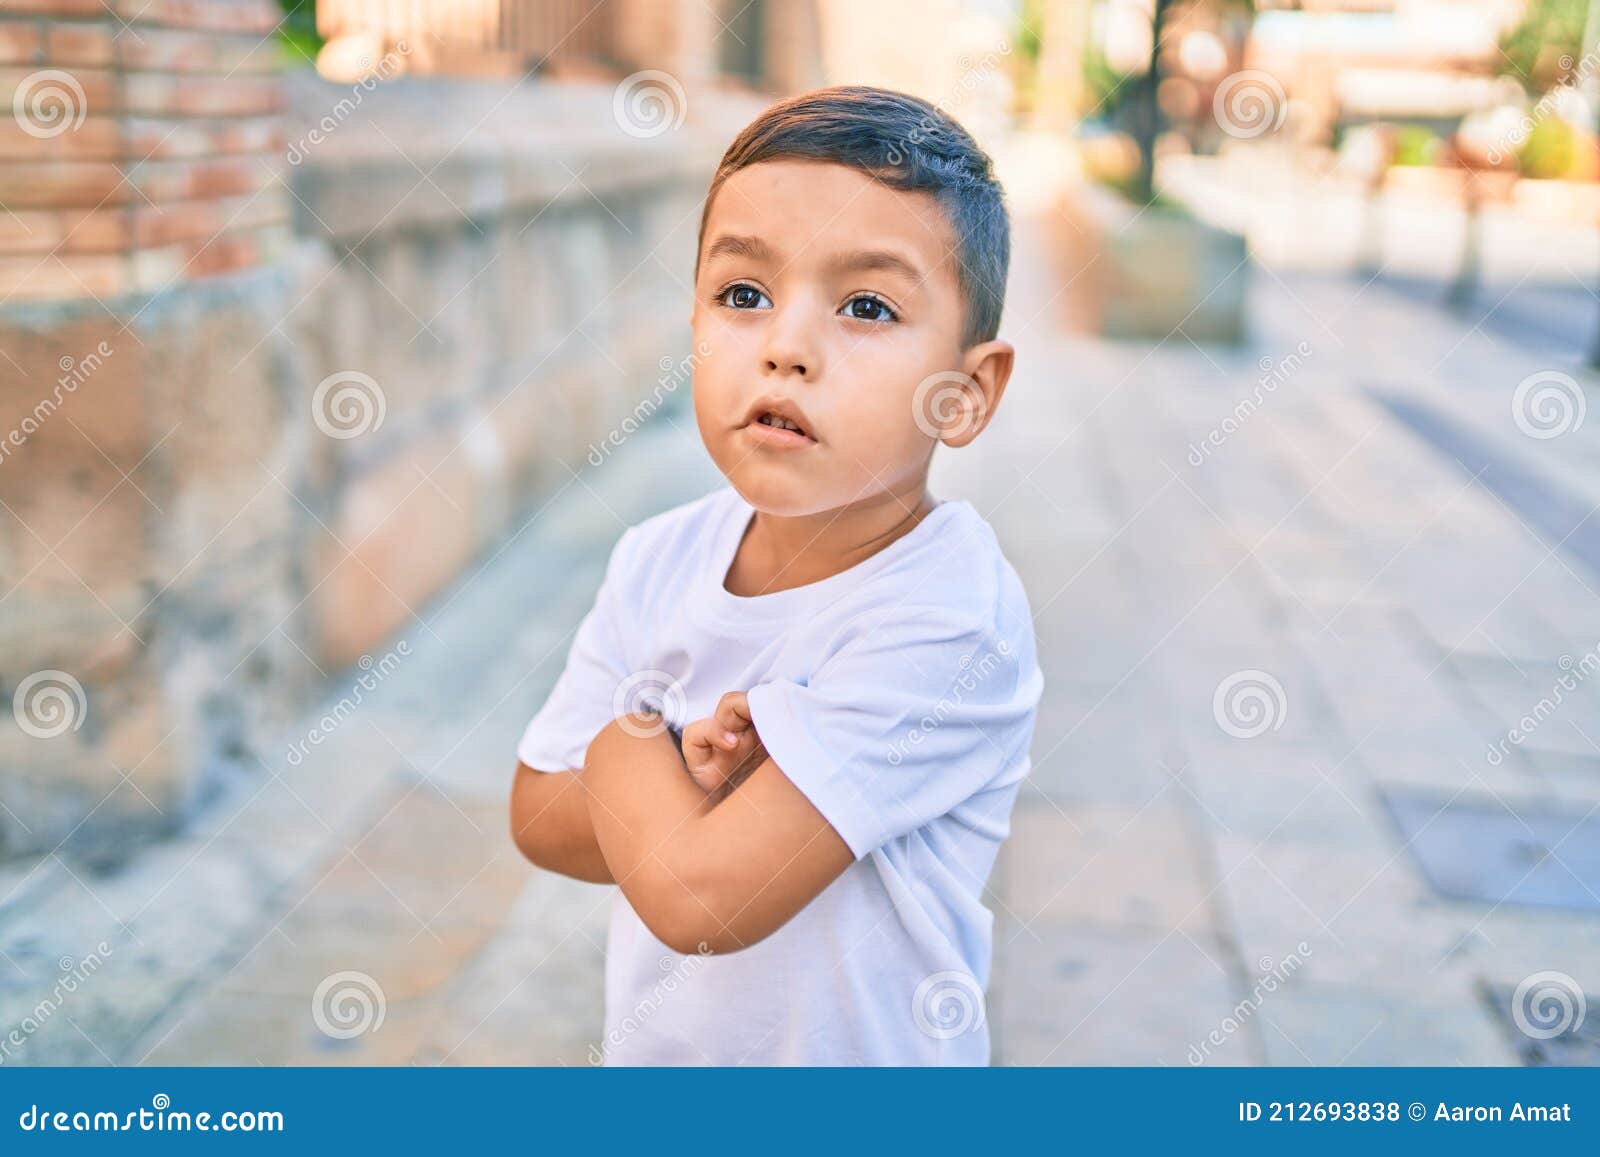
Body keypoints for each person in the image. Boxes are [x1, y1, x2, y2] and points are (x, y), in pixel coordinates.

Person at [509, 85, 1042, 1065]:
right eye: (742, 294)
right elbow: (539, 812)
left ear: (965, 395)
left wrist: (631, 748)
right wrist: (677, 782)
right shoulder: (659, 556)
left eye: (866, 306)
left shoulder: (949, 620)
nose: (785, 348)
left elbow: (704, 895)